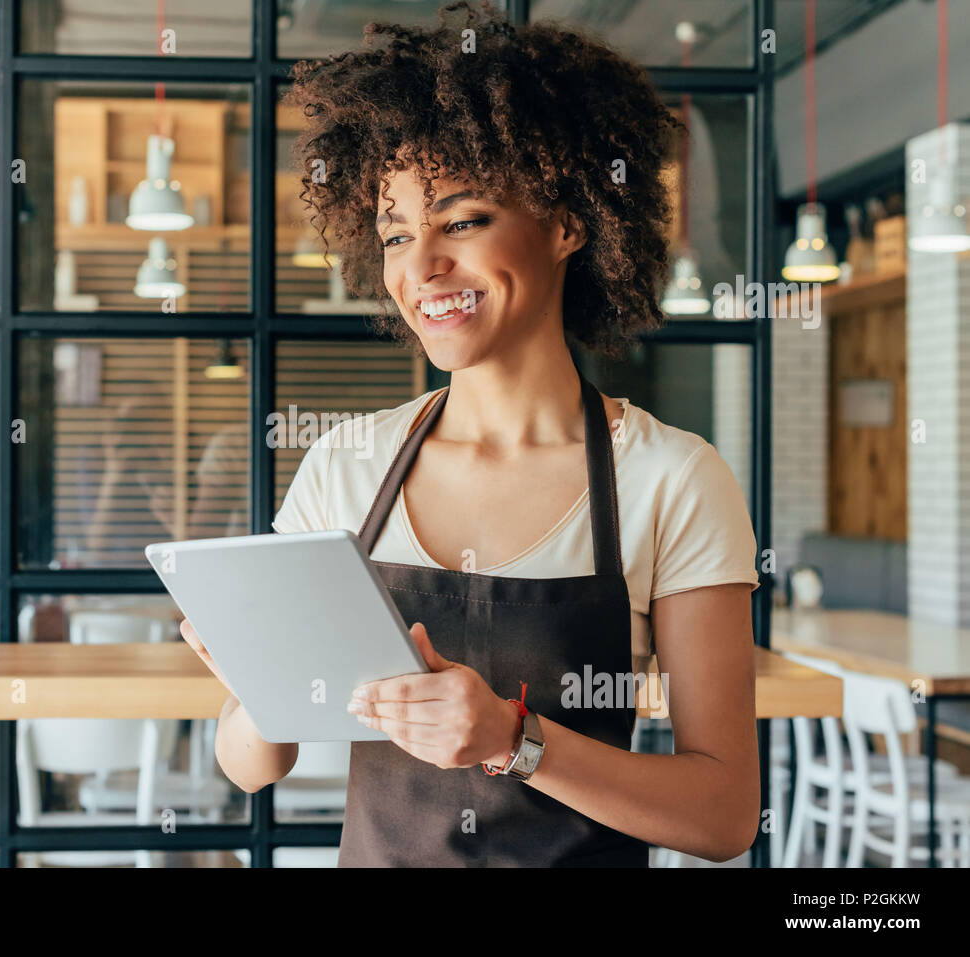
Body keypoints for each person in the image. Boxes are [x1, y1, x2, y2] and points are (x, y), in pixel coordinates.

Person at [180, 1, 760, 866]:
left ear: (568, 223)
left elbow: (722, 815)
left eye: (462, 221)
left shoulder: (672, 479)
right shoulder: (347, 465)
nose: (420, 268)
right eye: (396, 233)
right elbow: (250, 766)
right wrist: (259, 687)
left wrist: (513, 738)